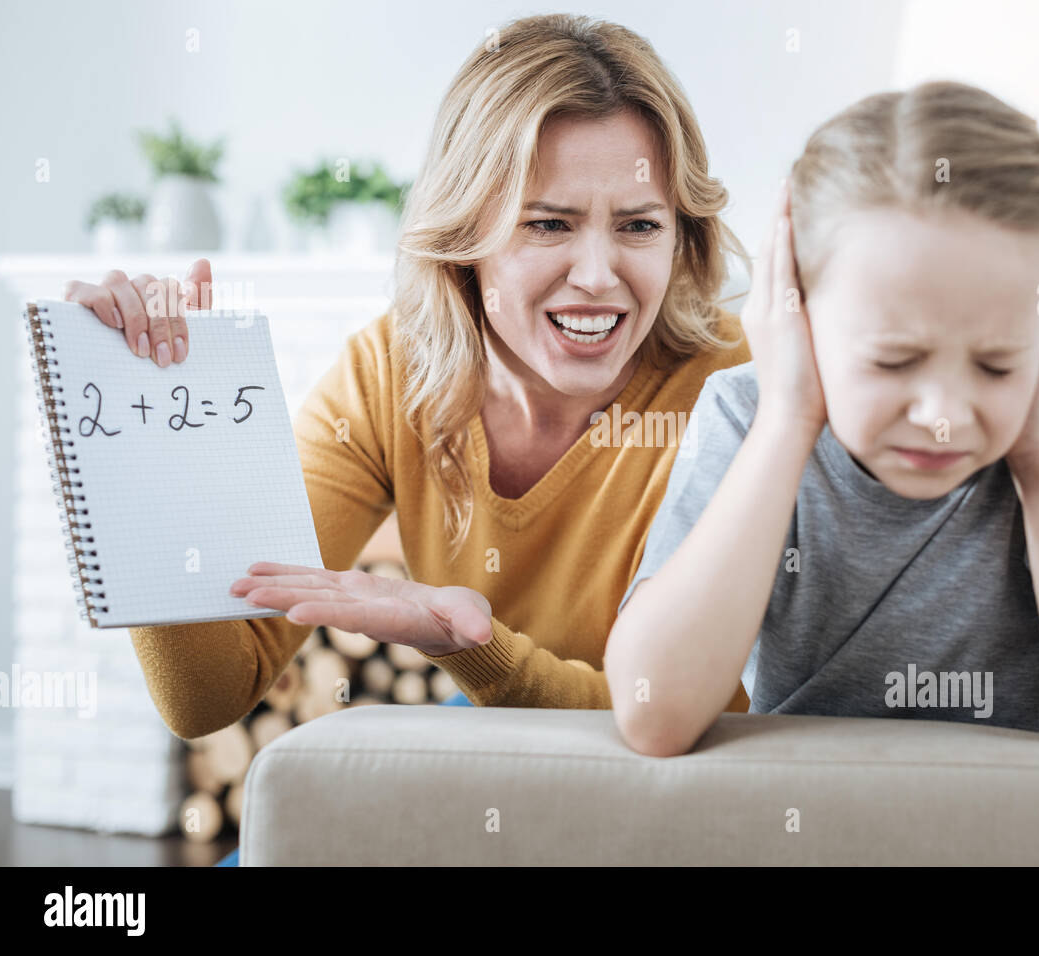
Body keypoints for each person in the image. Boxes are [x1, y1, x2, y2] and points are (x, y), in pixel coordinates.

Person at [61, 12, 755, 748]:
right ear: (465, 241)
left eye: (639, 226)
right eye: (547, 224)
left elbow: (715, 716)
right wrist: (142, 447)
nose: (596, 275)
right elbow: (208, 695)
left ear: (682, 235)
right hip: (505, 734)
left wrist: (473, 650)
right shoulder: (391, 374)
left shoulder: (737, 393)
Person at [605, 81, 1039, 757]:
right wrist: (788, 420)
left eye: (997, 365)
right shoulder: (749, 414)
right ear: (795, 313)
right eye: (893, 361)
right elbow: (655, 715)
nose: (943, 415)